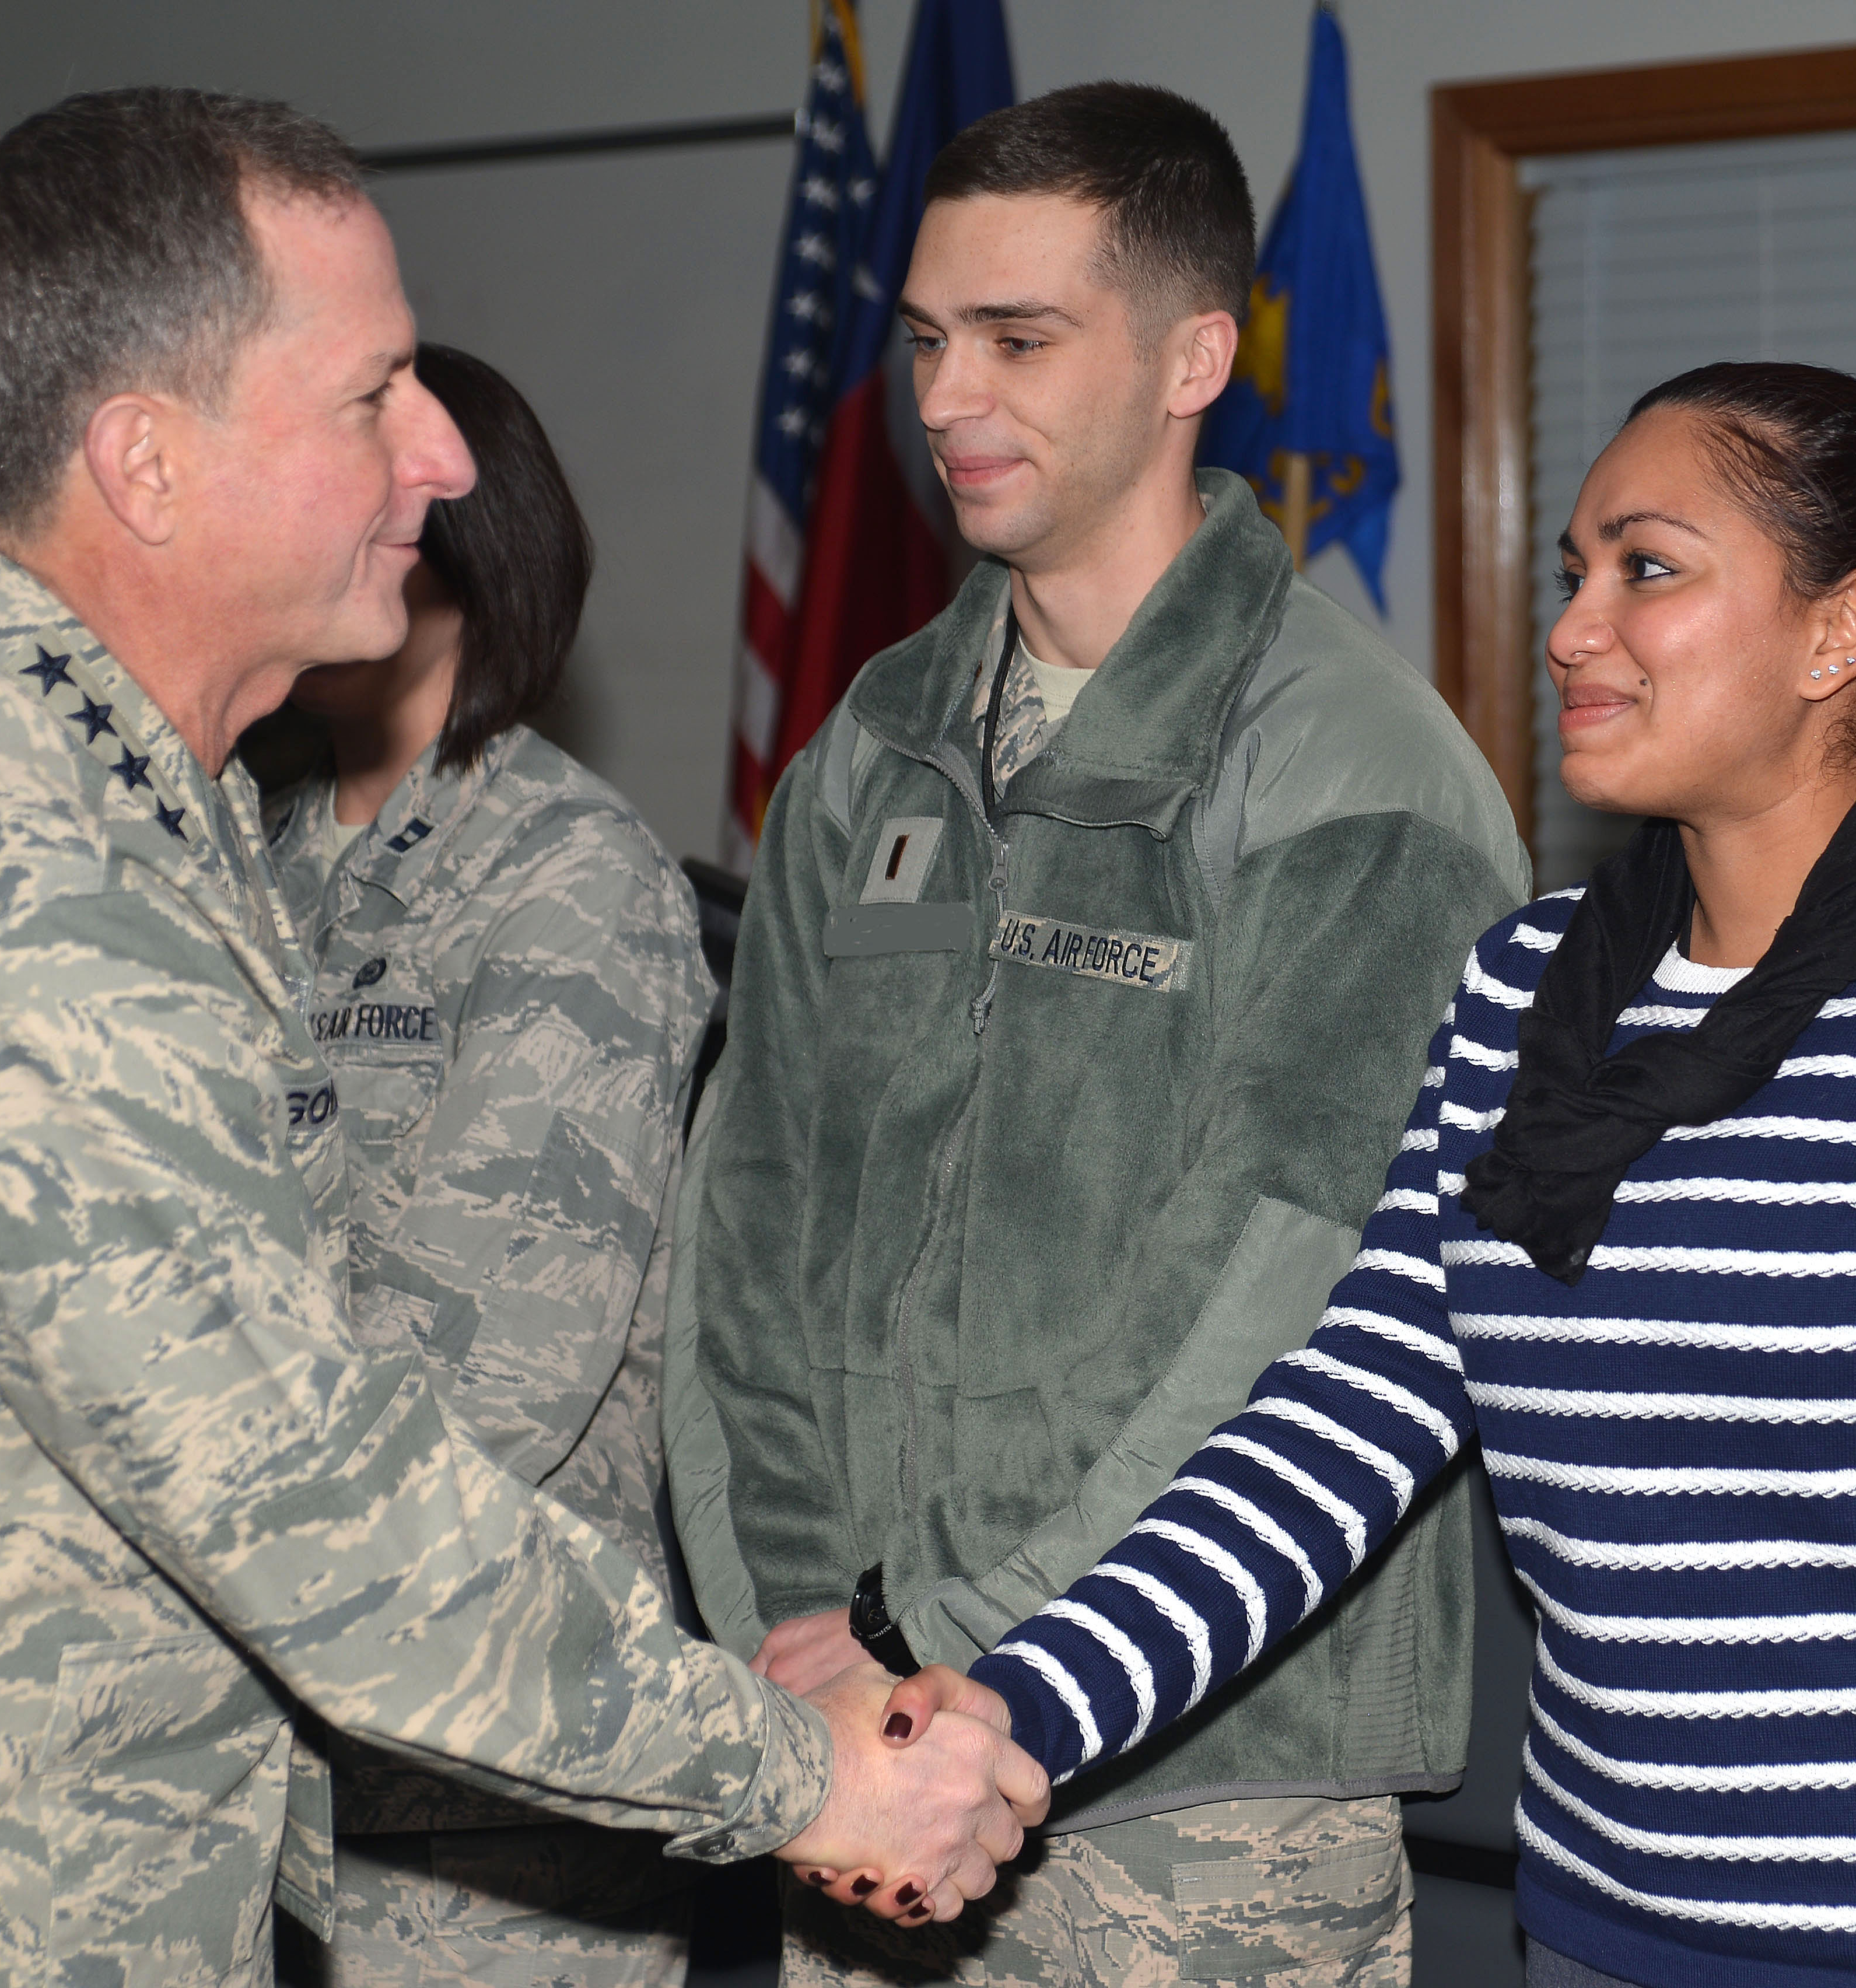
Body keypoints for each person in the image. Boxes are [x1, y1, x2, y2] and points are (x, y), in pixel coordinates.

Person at [0, 87, 1041, 1988]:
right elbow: (296, 1483)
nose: (445, 452)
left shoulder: (64, 768)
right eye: (371, 394)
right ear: (146, 462)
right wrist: (799, 1776)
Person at [869, 360, 1856, 1988]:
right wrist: (1020, 1700)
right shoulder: (1525, 989)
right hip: (1595, 1929)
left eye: (1648, 568)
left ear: (1839, 633)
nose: (1571, 629)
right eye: (1573, 573)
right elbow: (1345, 1421)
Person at [666, 83, 1527, 1987]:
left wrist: (964, 1651)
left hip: (1199, 1792)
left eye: (1018, 338)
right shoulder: (868, 746)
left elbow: (1292, 1317)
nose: (945, 394)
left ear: (1191, 356)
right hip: (858, 1748)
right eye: (922, 340)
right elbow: (742, 1229)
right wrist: (797, 1639)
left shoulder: (1347, 776)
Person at [267, 344, 706, 1987]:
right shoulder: (253, 853)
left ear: (461, 540)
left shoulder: (567, 879)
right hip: (258, 1769)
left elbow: (490, 1377)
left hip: (482, 1787)